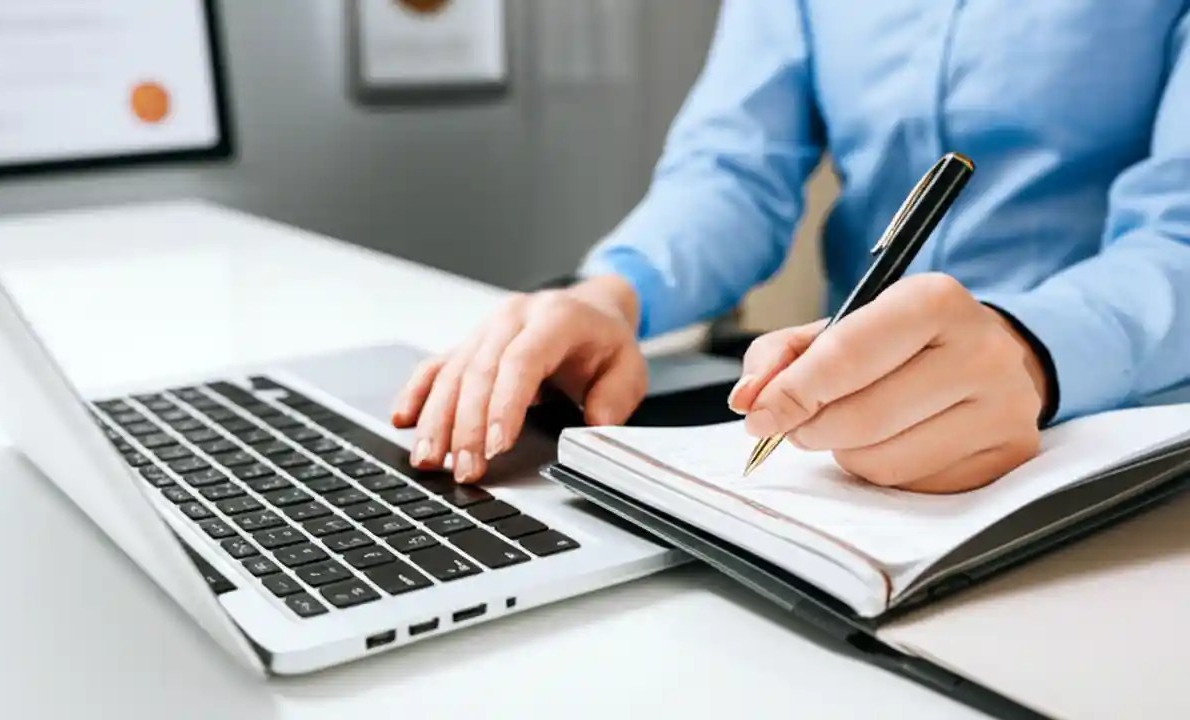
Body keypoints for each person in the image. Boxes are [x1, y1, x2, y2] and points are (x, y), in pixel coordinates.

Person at [392, 1, 1190, 493]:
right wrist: (613, 293)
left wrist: (1031, 350)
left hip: (1115, 419)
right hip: (847, 428)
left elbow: (1180, 231)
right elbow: (735, 169)